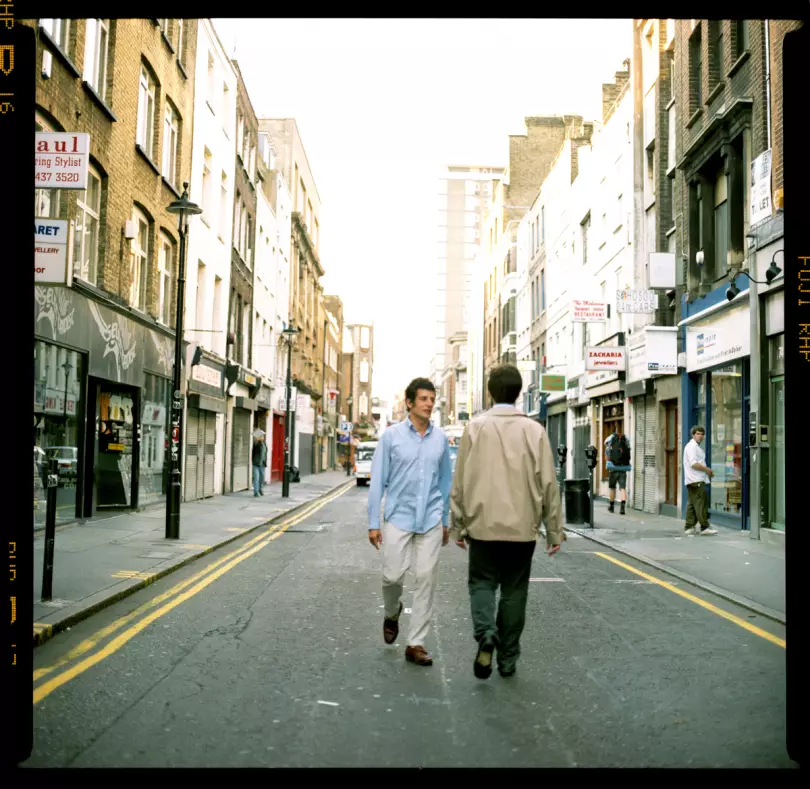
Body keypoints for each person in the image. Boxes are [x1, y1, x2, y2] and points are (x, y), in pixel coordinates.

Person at [449, 364, 564, 680]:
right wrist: (554, 530)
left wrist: (457, 524)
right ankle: (508, 659)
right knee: (515, 592)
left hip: (482, 525)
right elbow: (549, 484)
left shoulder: (474, 428)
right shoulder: (534, 431)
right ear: (518, 392)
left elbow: (461, 481)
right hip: (521, 529)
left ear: (491, 392)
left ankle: (486, 633)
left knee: (482, 583)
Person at [367, 377, 452, 667]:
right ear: (410, 402)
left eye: (432, 399)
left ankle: (415, 643)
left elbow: (444, 482)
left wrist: (445, 519)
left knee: (427, 578)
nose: (430, 404)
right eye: (424, 399)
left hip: (429, 518)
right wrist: (373, 522)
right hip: (398, 517)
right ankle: (392, 612)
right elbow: (377, 481)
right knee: (392, 576)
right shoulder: (391, 437)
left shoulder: (440, 439)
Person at [683, 426, 717, 535]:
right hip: (695, 479)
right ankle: (704, 527)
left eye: (702, 434)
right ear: (693, 435)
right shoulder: (692, 447)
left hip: (693, 479)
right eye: (698, 434)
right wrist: (707, 470)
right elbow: (694, 464)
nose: (700, 436)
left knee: (692, 505)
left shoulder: (694, 446)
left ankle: (689, 527)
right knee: (701, 505)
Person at [604, 429, 632, 514]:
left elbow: (607, 457)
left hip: (613, 468)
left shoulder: (610, 443)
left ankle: (611, 507)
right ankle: (622, 508)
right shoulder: (625, 442)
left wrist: (609, 461)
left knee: (612, 488)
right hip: (623, 468)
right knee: (622, 488)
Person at [252, 428, 268, 497]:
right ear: (258, 437)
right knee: (256, 478)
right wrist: (253, 461)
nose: (263, 437)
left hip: (262, 464)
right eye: (261, 436)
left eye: (263, 436)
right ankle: (256, 492)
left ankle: (260, 489)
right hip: (256, 463)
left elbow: (265, 453)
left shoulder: (264, 444)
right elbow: (253, 453)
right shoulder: (256, 444)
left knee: (261, 478)